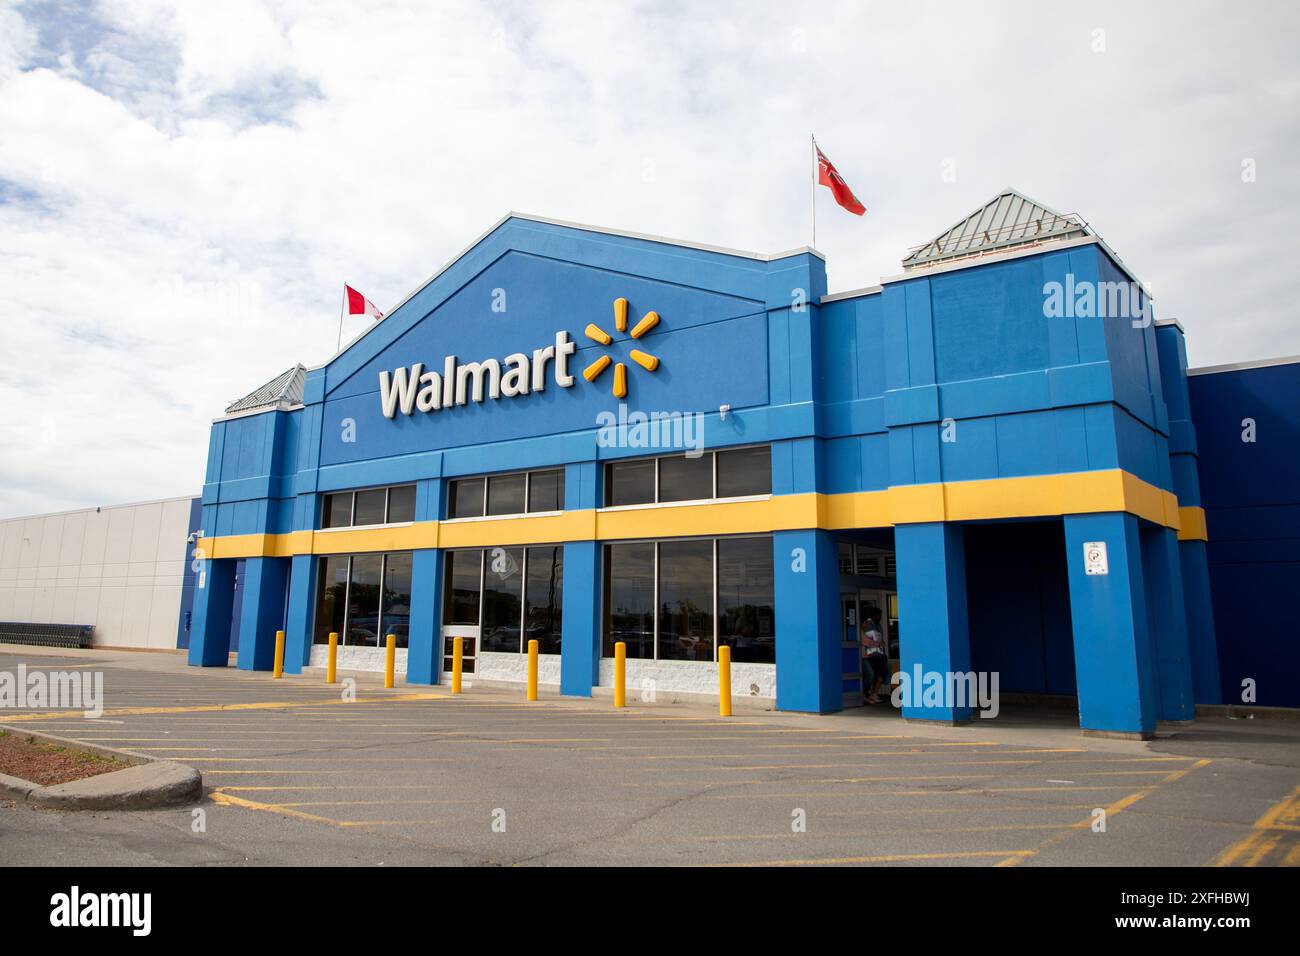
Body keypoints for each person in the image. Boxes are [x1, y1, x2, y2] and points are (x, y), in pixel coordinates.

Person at [860, 612, 887, 704]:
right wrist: (879, 643)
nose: (867, 624)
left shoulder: (877, 627)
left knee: (877, 676)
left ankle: (870, 695)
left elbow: (879, 641)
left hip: (875, 655)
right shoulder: (860, 630)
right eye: (866, 622)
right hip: (865, 656)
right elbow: (866, 642)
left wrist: (880, 643)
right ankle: (864, 694)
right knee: (870, 675)